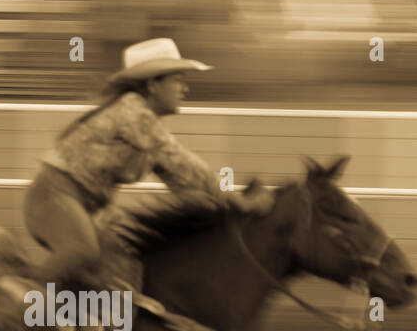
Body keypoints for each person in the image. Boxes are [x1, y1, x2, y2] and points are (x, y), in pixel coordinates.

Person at [23, 37, 271, 288]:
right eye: (178, 80)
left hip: (81, 206)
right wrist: (238, 202)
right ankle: (19, 296)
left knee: (122, 268)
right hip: (53, 197)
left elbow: (186, 186)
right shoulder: (135, 112)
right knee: (83, 251)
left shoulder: (143, 128)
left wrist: (223, 209)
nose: (184, 88)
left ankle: (73, 319)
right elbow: (186, 165)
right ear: (153, 85)